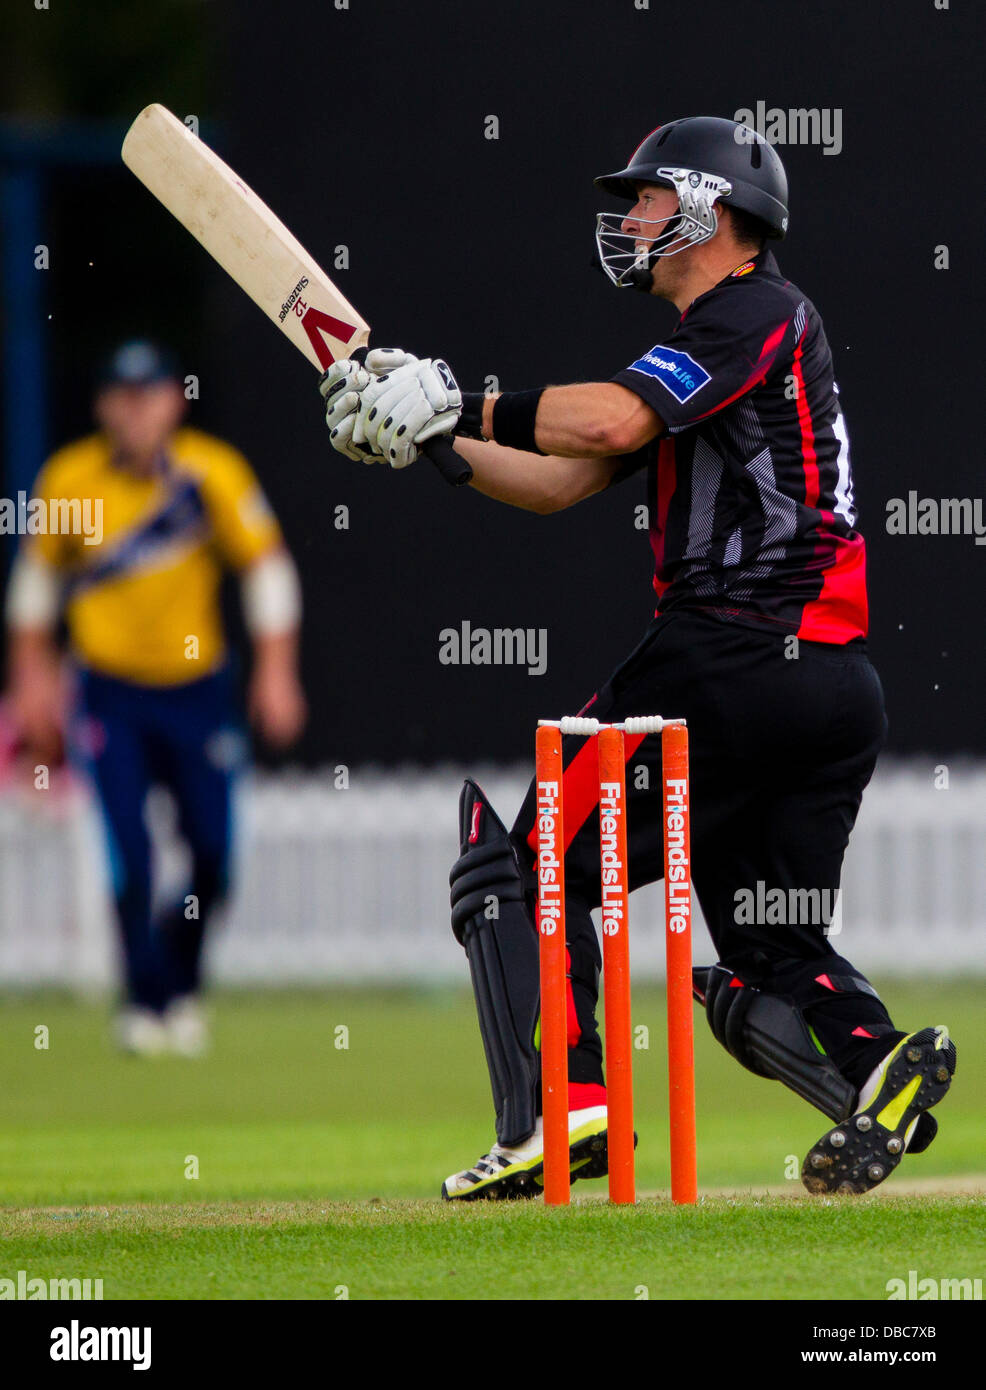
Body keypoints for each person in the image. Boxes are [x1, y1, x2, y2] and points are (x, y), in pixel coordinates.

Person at [318, 116, 955, 1198]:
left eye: (648, 200)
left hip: (729, 658)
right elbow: (559, 479)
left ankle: (562, 1122)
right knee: (771, 944)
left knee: (516, 873)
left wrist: (459, 398)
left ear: (712, 209)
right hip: (827, 689)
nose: (630, 221)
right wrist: (423, 437)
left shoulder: (746, 308)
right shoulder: (720, 345)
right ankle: (878, 1062)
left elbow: (606, 425)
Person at [5, 340, 306, 1054]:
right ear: (104, 404)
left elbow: (266, 572)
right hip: (110, 693)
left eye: (151, 393)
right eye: (122, 395)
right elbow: (36, 588)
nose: (136, 410)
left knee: (213, 852)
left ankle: (180, 981)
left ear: (177, 399)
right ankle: (143, 1001)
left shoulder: (212, 472)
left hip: (196, 692)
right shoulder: (71, 478)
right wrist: (33, 679)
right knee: (130, 854)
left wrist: (275, 671)